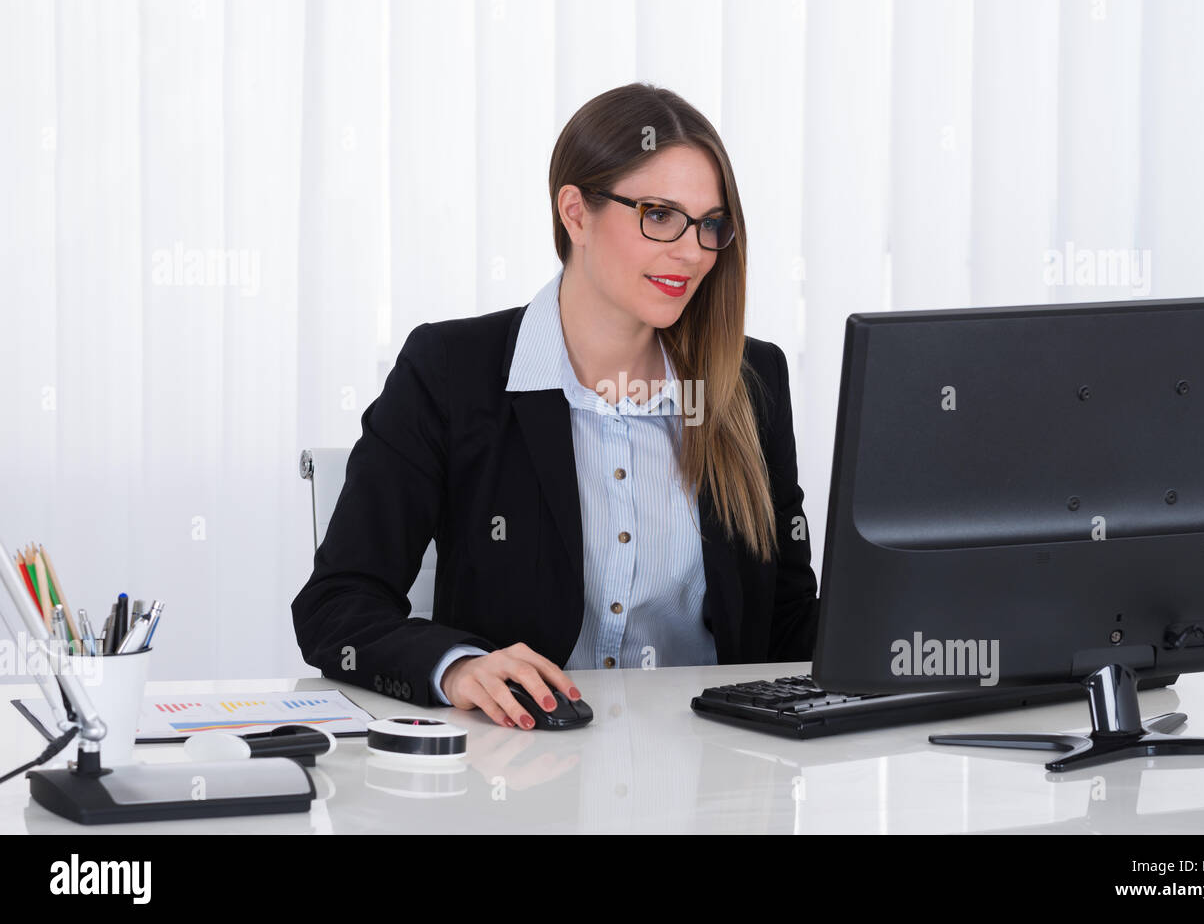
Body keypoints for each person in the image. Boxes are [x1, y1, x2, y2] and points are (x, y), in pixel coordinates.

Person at [291, 82, 819, 730]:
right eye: (658, 214)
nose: (692, 251)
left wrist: (930, 619)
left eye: (710, 224)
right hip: (519, 773)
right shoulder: (452, 371)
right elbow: (337, 602)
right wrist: (455, 666)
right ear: (575, 213)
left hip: (714, 773)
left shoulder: (749, 380)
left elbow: (788, 624)